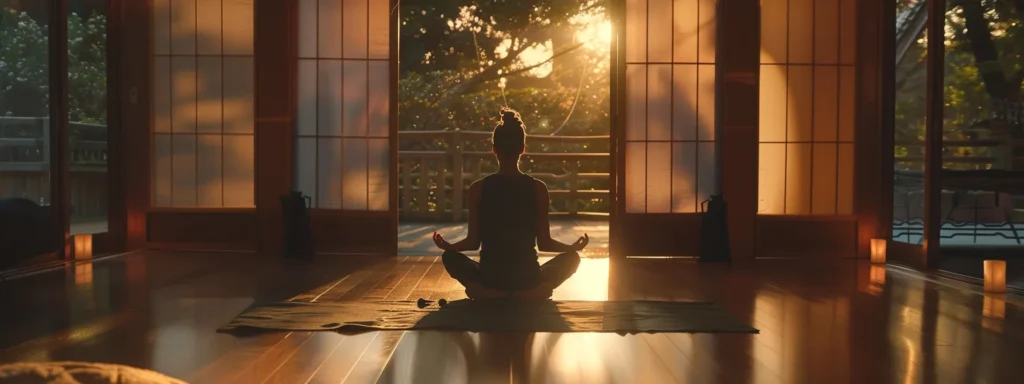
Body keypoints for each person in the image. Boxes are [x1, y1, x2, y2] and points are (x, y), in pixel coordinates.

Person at [433, 109, 589, 300]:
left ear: (494, 149)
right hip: (528, 278)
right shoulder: (538, 188)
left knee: (449, 257)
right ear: (522, 148)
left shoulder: (478, 188)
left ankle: (487, 292)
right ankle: (531, 292)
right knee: (572, 258)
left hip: (490, 278)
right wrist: (572, 248)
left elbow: (473, 242)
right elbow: (544, 243)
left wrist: (449, 247)